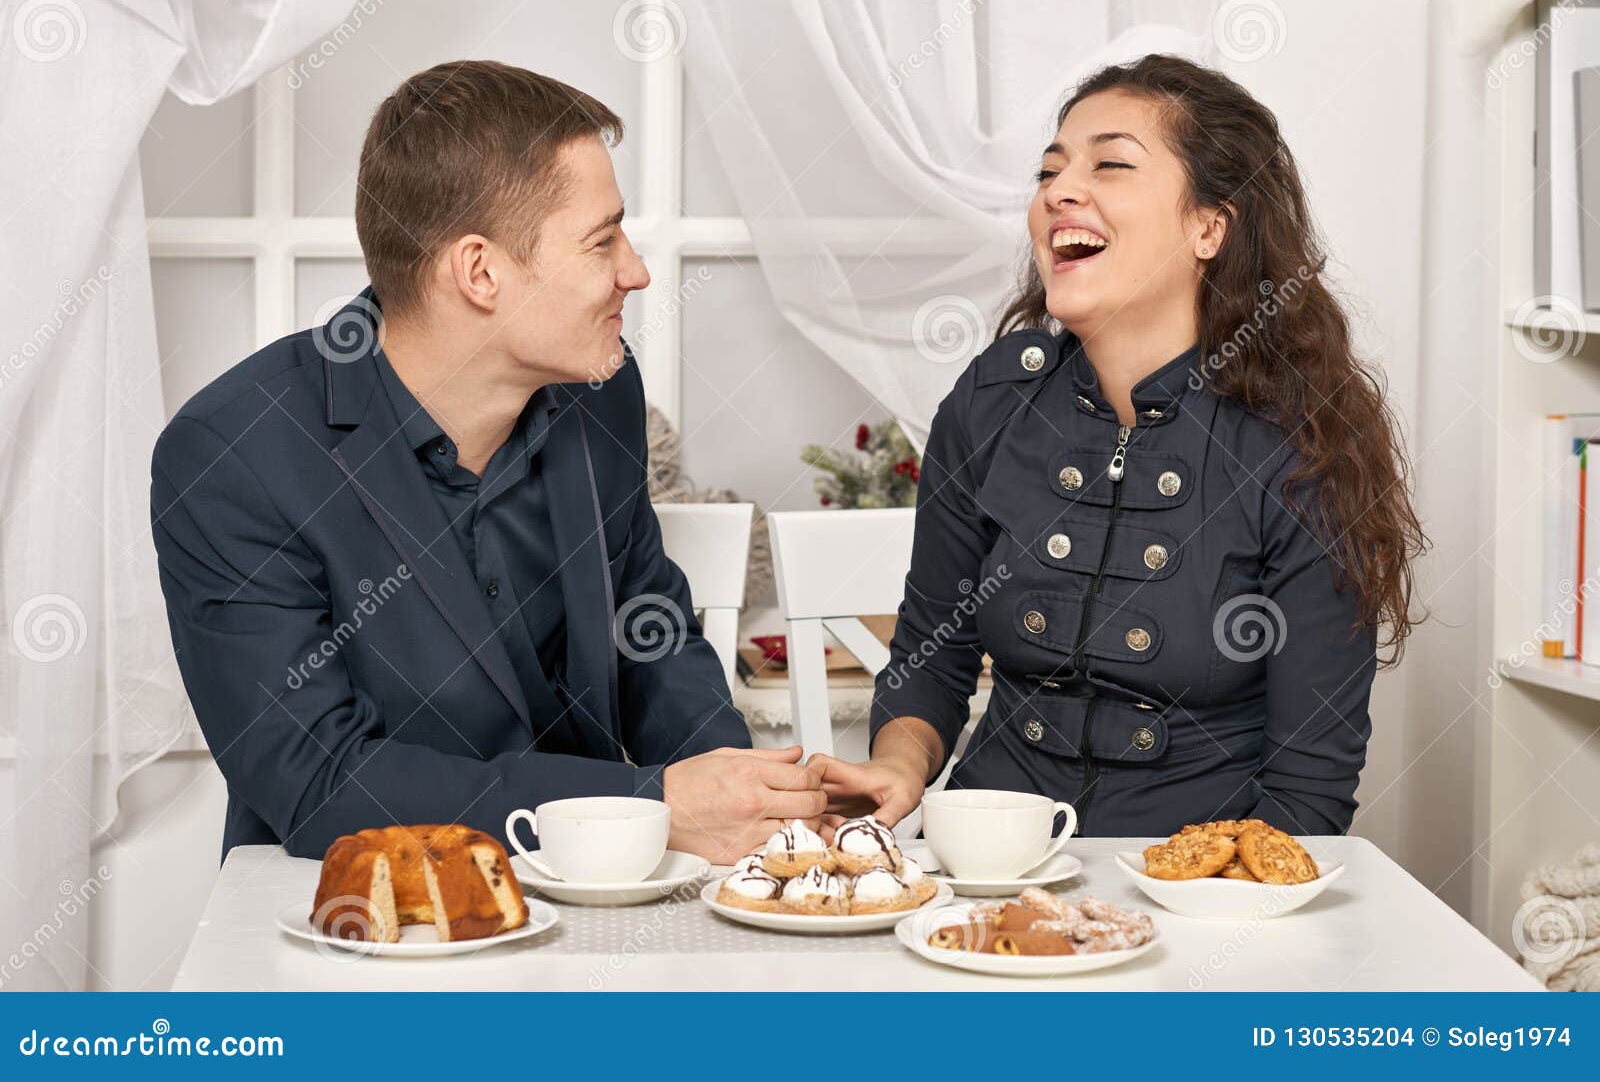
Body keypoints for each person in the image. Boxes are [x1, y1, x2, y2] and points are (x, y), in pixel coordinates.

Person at [151, 60, 823, 863]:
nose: (635, 271)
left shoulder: (599, 388)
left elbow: (650, 628)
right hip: (365, 921)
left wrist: (741, 786)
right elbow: (319, 782)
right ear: (479, 271)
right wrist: (648, 804)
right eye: (602, 239)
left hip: (600, 897)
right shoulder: (233, 455)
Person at [809, 55, 1425, 837]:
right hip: (990, 856)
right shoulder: (992, 399)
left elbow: (1309, 786)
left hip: (1194, 883)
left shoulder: (1299, 436)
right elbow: (934, 653)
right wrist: (898, 767)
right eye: (1050, 171)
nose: (1060, 191)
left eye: (1111, 164)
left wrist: (1207, 911)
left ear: (1209, 227)